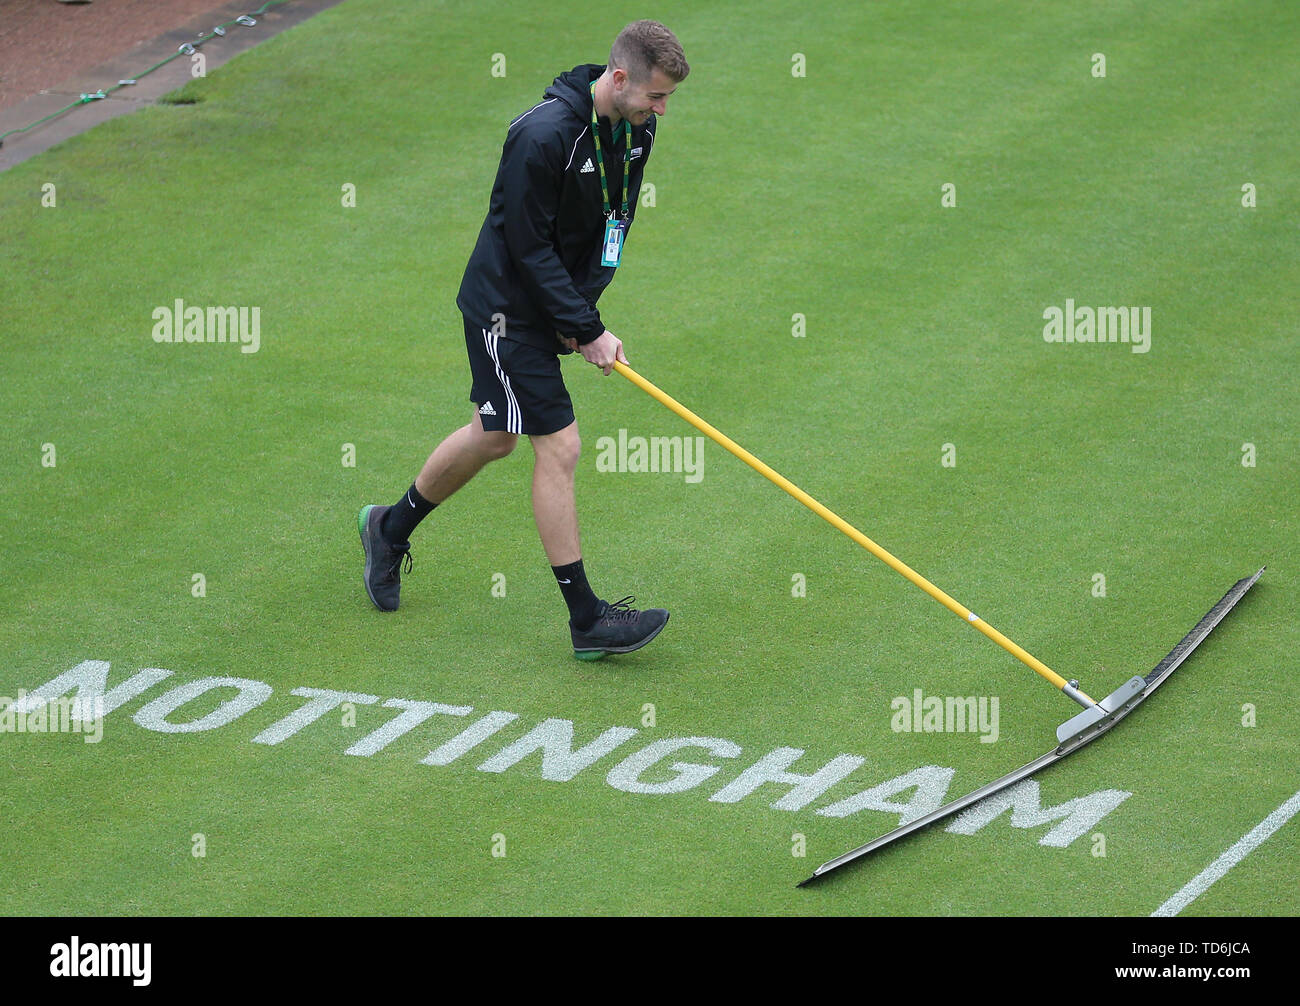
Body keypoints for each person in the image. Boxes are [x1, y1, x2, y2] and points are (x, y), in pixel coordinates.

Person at [358, 20, 689, 661]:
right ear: (619, 79)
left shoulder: (635, 131)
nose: (663, 110)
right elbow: (526, 246)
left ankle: (388, 527)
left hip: (549, 310)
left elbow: (614, 222)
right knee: (559, 446)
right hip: (505, 312)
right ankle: (587, 620)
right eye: (656, 96)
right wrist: (585, 329)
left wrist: (579, 314)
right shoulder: (541, 136)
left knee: (495, 435)